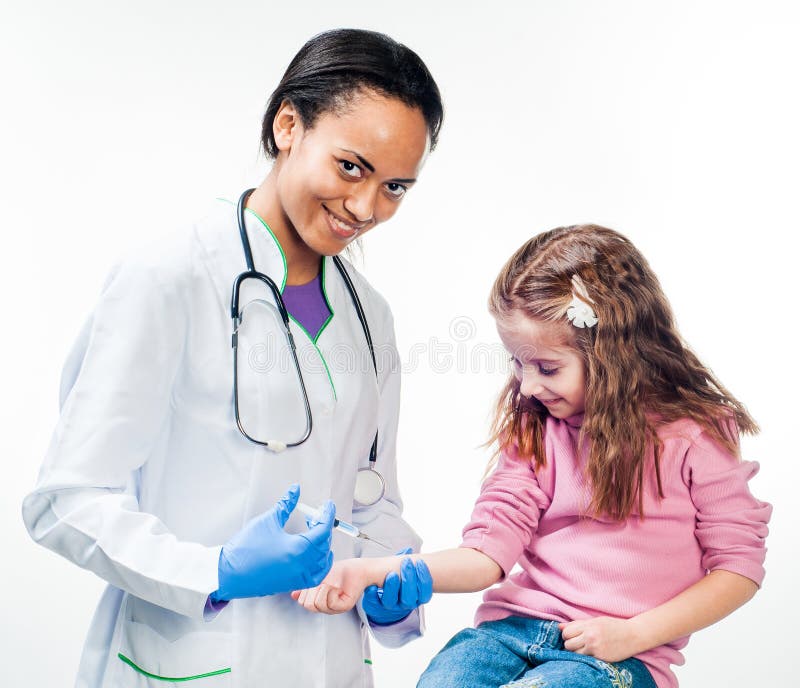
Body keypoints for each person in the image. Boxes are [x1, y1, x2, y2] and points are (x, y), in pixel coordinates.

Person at [22, 29, 442, 687]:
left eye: (395, 187)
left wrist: (392, 585)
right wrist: (212, 570)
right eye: (350, 167)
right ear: (287, 126)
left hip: (329, 662)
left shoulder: (371, 316)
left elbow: (369, 500)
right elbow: (66, 498)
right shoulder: (170, 277)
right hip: (191, 658)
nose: (365, 207)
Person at [292, 224, 772, 688]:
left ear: (617, 353)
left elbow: (737, 571)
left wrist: (633, 634)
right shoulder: (535, 428)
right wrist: (371, 570)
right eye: (517, 363)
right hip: (507, 635)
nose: (527, 385)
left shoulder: (695, 436)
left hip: (617, 658)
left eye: (547, 367)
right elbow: (487, 556)